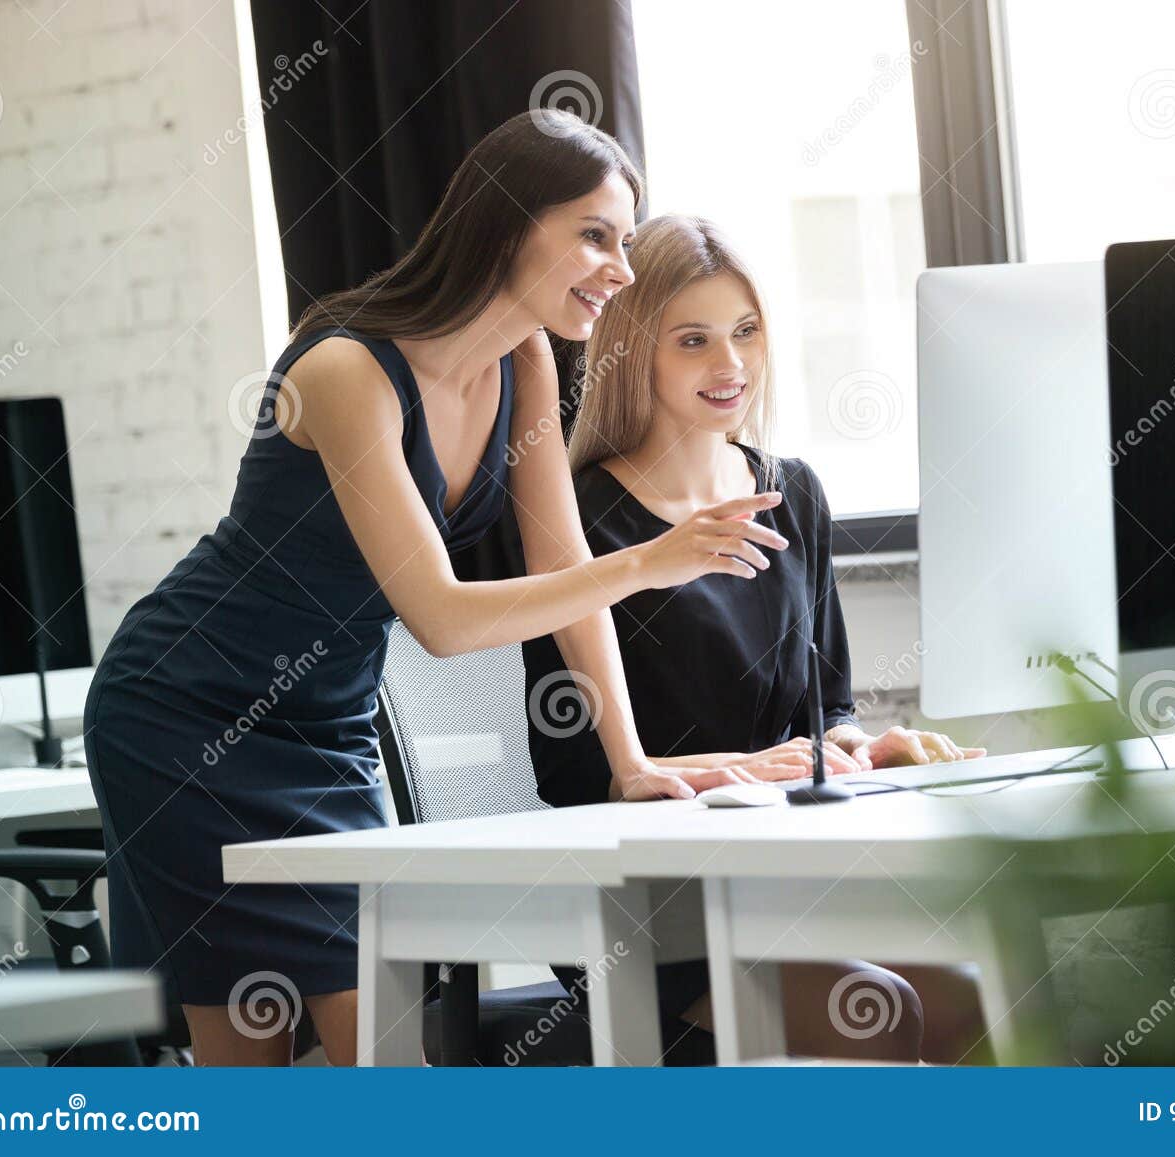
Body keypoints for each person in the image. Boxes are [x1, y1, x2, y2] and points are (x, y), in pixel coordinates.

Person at [83, 115, 784, 1066]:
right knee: (250, 1045)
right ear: (505, 224)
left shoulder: (526, 359)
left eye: (625, 238)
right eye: (594, 234)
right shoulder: (343, 368)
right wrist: (653, 558)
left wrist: (627, 758)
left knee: (384, 1052)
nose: (620, 266)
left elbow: (559, 567)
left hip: (328, 724)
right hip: (184, 711)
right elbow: (444, 619)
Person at [521, 214, 990, 1063]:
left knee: (977, 999)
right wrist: (734, 770)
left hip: (777, 873)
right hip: (640, 898)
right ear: (634, 353)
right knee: (878, 1015)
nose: (730, 364)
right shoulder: (579, 520)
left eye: (744, 332)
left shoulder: (792, 490)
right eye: (694, 340)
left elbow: (828, 702)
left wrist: (859, 746)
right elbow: (574, 770)